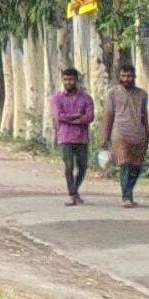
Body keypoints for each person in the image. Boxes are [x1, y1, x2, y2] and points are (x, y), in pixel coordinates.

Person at [54, 67, 96, 204]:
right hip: (65, 137)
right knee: (69, 166)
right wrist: (78, 116)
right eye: (65, 79)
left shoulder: (86, 98)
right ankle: (72, 194)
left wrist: (72, 119)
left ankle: (75, 189)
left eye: (71, 79)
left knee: (83, 167)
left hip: (82, 138)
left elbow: (90, 116)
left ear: (76, 80)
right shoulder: (57, 98)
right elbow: (59, 116)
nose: (68, 82)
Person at [110, 66, 149, 207]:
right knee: (125, 164)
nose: (127, 79)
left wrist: (147, 134)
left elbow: (145, 117)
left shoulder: (142, 94)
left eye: (129, 76)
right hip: (120, 133)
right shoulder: (113, 93)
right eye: (124, 76)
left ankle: (129, 192)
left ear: (134, 77)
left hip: (138, 135)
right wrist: (105, 138)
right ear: (120, 76)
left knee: (136, 167)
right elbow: (108, 116)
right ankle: (126, 197)